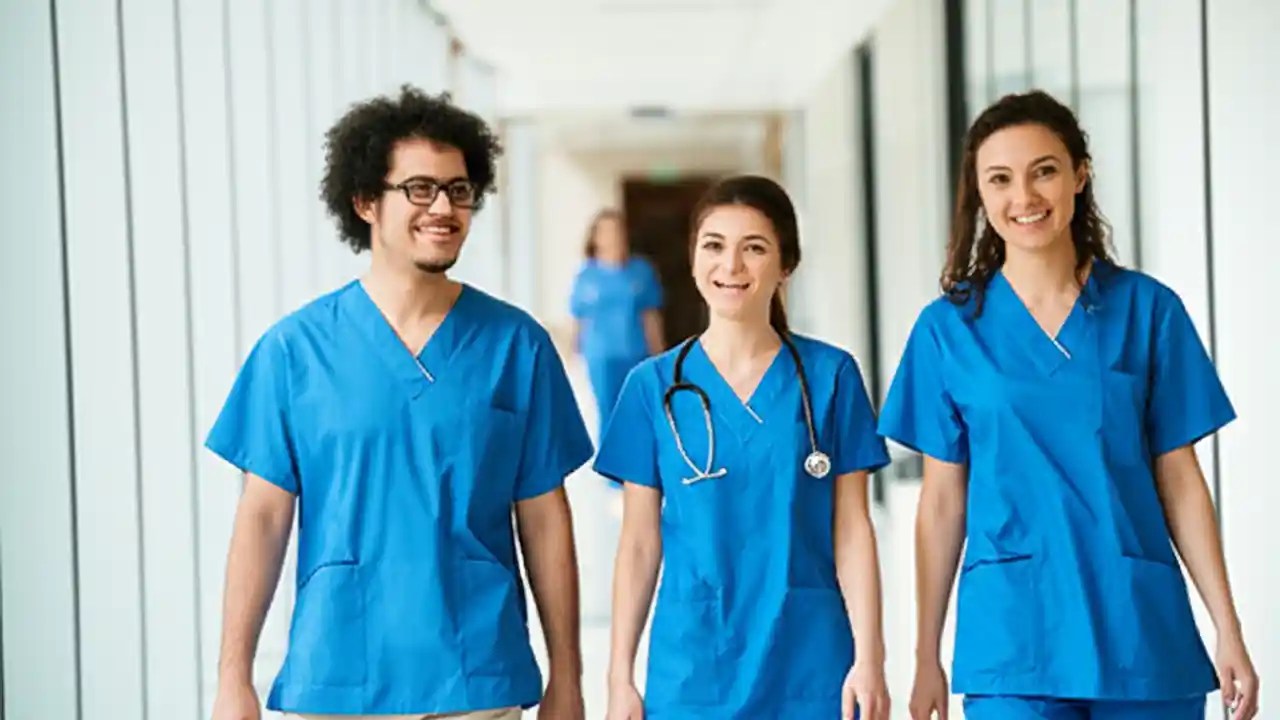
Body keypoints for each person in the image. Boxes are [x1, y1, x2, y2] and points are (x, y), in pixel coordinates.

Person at [206, 86, 593, 720]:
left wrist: (568, 680)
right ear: (364, 202)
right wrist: (233, 678)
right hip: (339, 675)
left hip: (478, 678)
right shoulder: (294, 351)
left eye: (458, 190)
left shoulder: (515, 346)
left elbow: (545, 519)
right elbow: (262, 519)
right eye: (418, 188)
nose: (443, 207)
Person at [879, 90, 1260, 720]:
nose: (1023, 198)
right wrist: (924, 657)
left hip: (1139, 631)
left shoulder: (1146, 310)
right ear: (979, 194)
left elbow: (1180, 478)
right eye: (999, 179)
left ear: (1079, 175)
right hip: (1012, 639)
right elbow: (942, 501)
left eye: (1044, 171)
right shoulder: (948, 330)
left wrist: (1229, 627)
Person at [595, 175, 893, 720]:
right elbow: (639, 542)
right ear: (692, 261)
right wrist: (620, 675)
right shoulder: (652, 386)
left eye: (753, 248)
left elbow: (852, 528)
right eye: (714, 246)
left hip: (811, 663)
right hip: (693, 667)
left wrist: (871, 656)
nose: (730, 266)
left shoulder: (830, 377)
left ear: (785, 265)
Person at [569, 209, 665, 440]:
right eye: (607, 232)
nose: (613, 237)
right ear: (596, 238)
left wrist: (660, 354)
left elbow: (650, 315)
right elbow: (577, 319)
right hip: (601, 357)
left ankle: (638, 470)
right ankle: (612, 475)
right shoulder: (587, 275)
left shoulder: (641, 271)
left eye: (617, 231)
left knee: (638, 413)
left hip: (635, 352)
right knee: (608, 412)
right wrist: (572, 357)